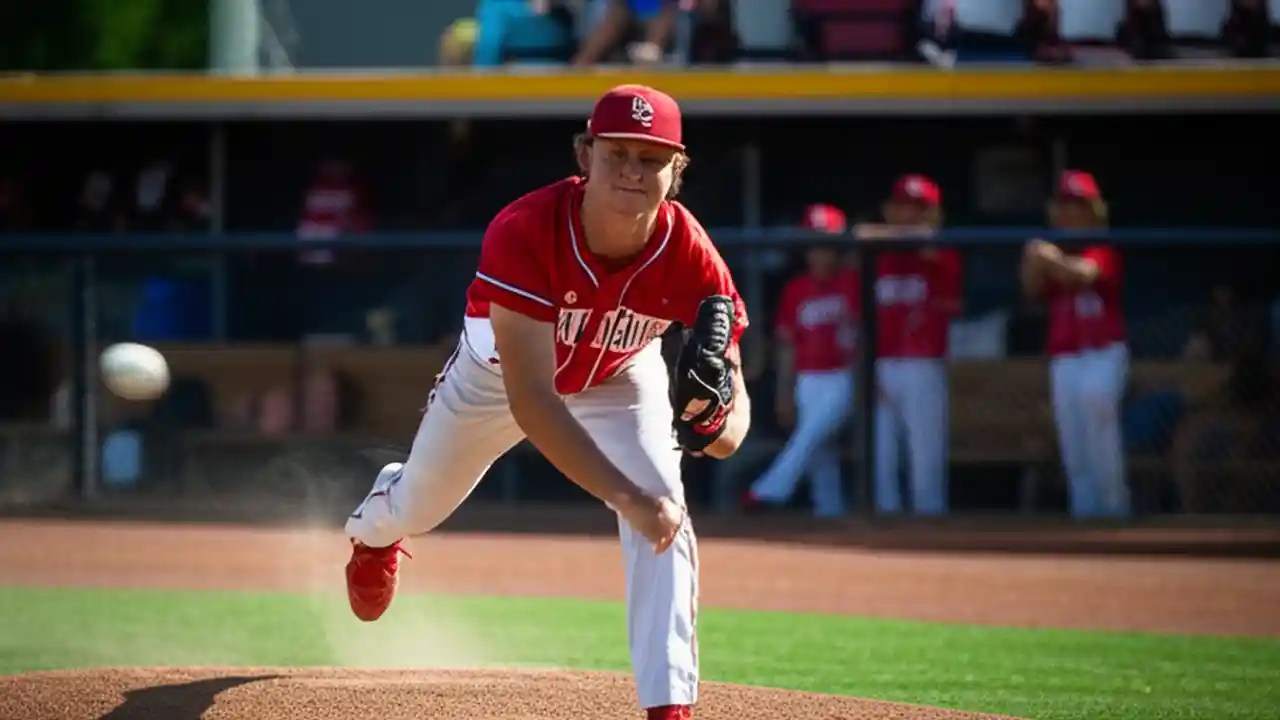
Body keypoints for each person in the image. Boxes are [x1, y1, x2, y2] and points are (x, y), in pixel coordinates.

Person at [343, 84, 752, 720]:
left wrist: (717, 419)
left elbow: (734, 425)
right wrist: (627, 497)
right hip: (499, 377)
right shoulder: (527, 228)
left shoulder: (693, 257)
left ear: (677, 170)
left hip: (618, 376)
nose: (633, 171)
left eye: (652, 157)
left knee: (666, 519)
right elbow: (534, 402)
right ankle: (375, 531)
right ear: (584, 155)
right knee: (417, 505)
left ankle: (670, 708)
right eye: (618, 152)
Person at [1020, 169, 1129, 518]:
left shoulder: (1103, 248)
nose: (1070, 214)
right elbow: (1032, 290)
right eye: (1064, 206)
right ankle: (1084, 517)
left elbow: (1081, 274)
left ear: (1094, 211)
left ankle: (1115, 513)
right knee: (1073, 447)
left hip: (1103, 352)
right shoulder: (1056, 252)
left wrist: (1046, 257)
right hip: (1066, 355)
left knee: (1100, 424)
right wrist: (1032, 262)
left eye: (1079, 206)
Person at [744, 203, 858, 517]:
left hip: (845, 375)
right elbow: (787, 346)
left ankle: (770, 487)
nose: (819, 253)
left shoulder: (853, 281)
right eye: (813, 245)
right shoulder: (796, 289)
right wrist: (784, 391)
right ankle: (830, 511)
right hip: (808, 377)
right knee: (820, 451)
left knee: (809, 434)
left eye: (826, 245)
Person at [870, 174, 963, 516]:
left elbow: (929, 245)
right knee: (882, 456)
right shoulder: (877, 255)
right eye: (902, 207)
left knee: (926, 454)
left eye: (918, 209)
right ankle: (885, 529)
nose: (908, 215)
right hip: (882, 362)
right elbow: (860, 235)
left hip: (923, 364)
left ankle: (930, 524)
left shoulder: (942, 254)